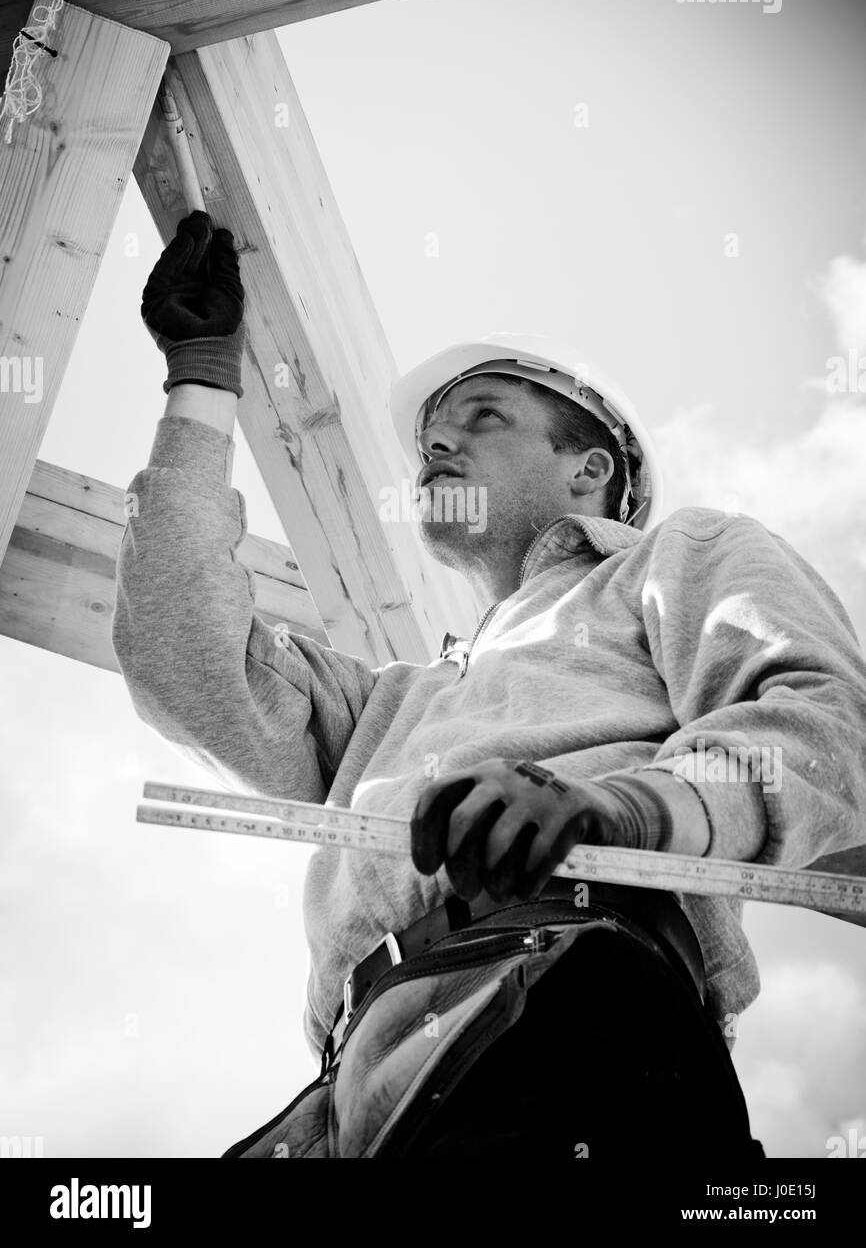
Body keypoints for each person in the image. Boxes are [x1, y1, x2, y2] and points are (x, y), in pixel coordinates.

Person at [114, 211, 866, 1159]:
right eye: (431, 434)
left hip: (569, 1017)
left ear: (589, 467)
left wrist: (618, 812)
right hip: (360, 1089)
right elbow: (185, 666)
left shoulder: (680, 556)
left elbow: (821, 729)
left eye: (483, 417)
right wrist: (200, 382)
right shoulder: (395, 702)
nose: (437, 444)